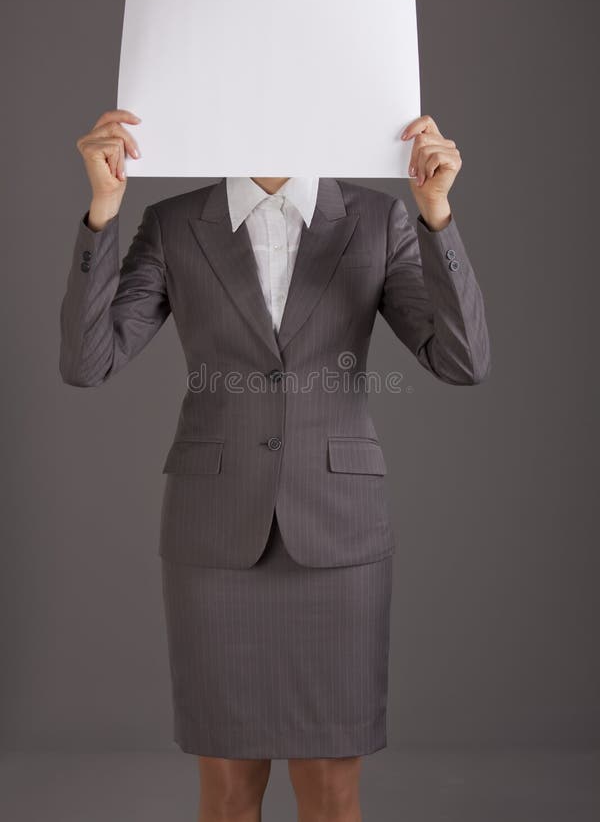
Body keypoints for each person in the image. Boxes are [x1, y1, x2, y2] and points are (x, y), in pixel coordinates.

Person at [60, 108, 490, 822]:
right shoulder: (174, 223)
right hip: (216, 538)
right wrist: (101, 218)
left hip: (339, 537)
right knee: (227, 793)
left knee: (330, 790)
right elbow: (87, 361)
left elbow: (464, 361)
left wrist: (437, 217)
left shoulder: (378, 219)